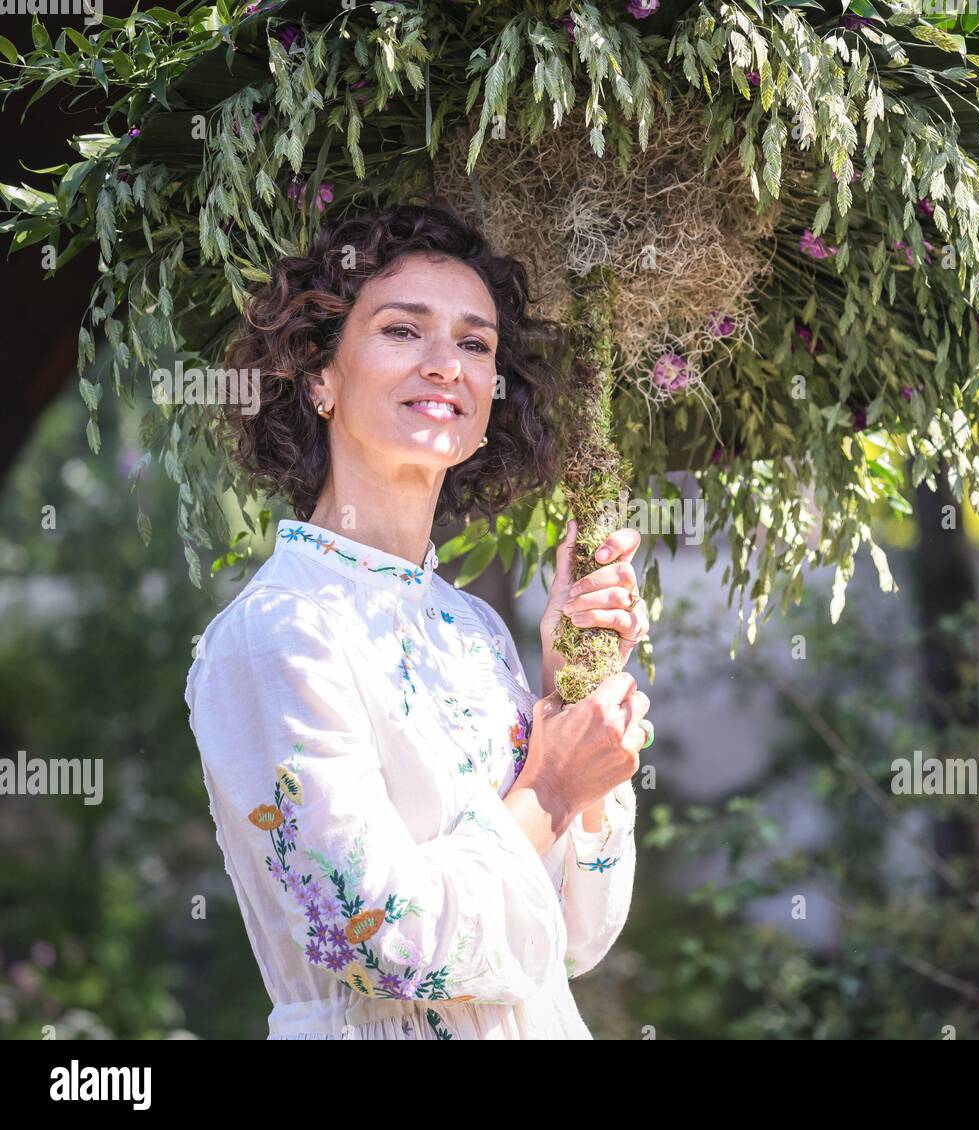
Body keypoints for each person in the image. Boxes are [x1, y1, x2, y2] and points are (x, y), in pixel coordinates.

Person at [184, 201, 652, 1039]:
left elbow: (575, 938)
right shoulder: (279, 631)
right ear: (318, 376)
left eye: (475, 344)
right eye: (404, 331)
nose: (447, 365)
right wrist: (550, 785)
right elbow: (378, 939)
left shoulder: (475, 629)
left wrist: (569, 699)